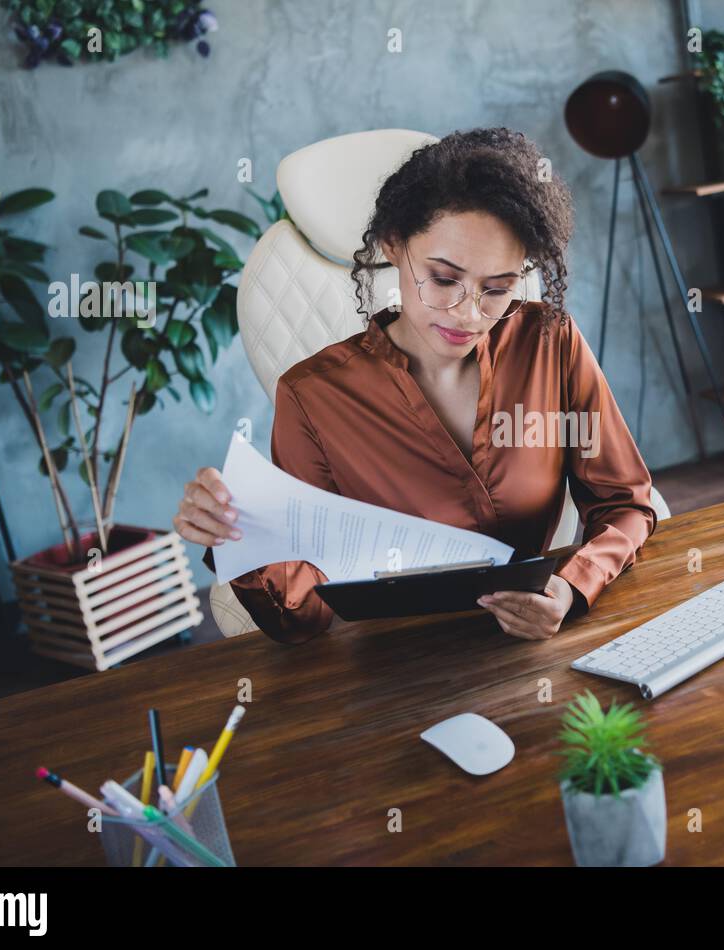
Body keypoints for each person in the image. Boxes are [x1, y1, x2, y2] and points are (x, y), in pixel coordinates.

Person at [172, 128, 656, 643]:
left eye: (497, 289)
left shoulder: (549, 343)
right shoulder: (312, 398)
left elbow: (625, 503)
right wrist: (236, 537)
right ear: (394, 246)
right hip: (395, 661)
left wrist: (571, 587)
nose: (468, 314)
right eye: (443, 279)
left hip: (538, 641)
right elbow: (305, 614)